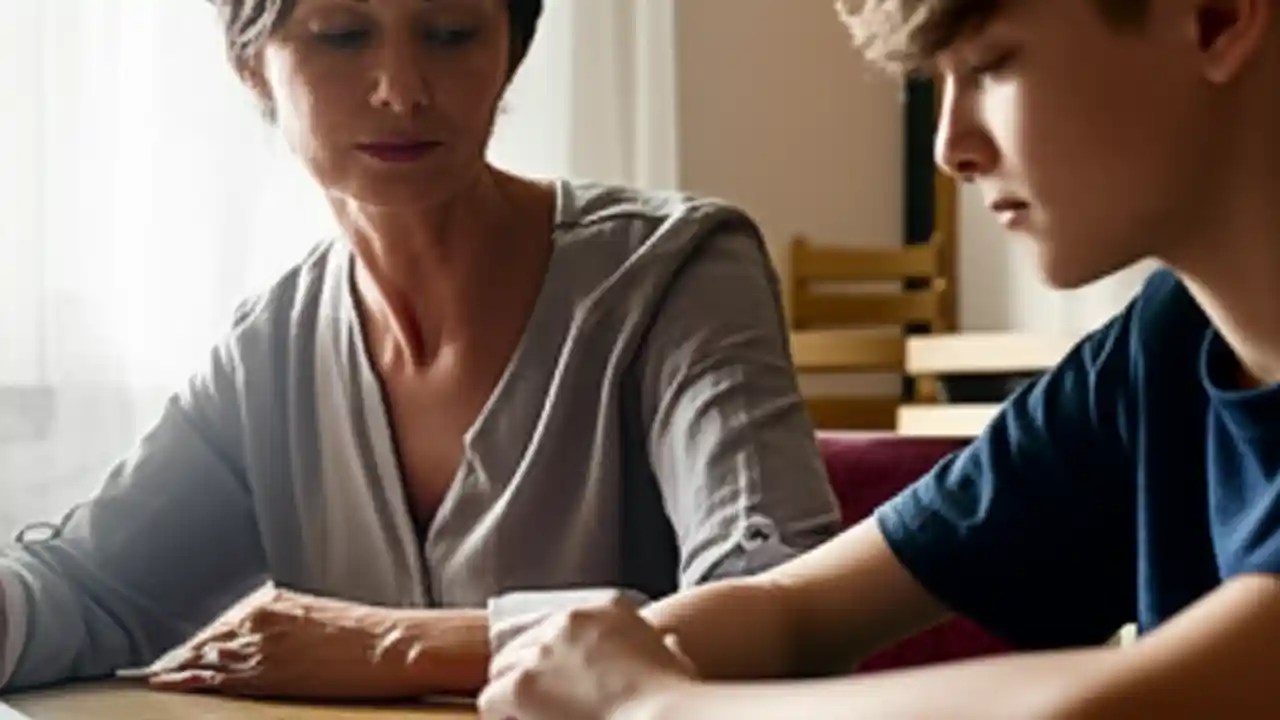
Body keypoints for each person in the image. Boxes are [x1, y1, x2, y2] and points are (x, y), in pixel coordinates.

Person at [0, 0, 841, 699]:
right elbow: (90, 593)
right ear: (251, 63)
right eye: (341, 35)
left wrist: (396, 644)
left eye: (451, 34)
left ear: (510, 51)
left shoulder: (673, 272)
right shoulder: (271, 349)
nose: (402, 90)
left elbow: (775, 598)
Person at [479, 0, 1280, 717]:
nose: (950, 146)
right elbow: (798, 611)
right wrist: (591, 665)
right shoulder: (1160, 350)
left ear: (1214, 18)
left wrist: (652, 705)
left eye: (991, 66)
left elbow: (1108, 706)